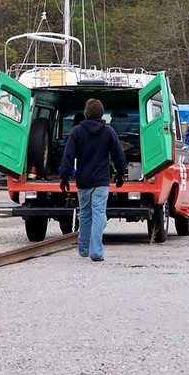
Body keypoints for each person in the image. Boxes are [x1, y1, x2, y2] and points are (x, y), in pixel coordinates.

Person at [58, 98, 126, 262]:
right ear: (102, 113)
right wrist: (120, 173)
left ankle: (83, 248)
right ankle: (96, 251)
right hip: (101, 181)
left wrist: (64, 177)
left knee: (85, 214)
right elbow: (119, 155)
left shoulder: (76, 132)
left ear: (86, 113)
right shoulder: (108, 132)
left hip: (84, 181)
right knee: (99, 214)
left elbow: (68, 156)